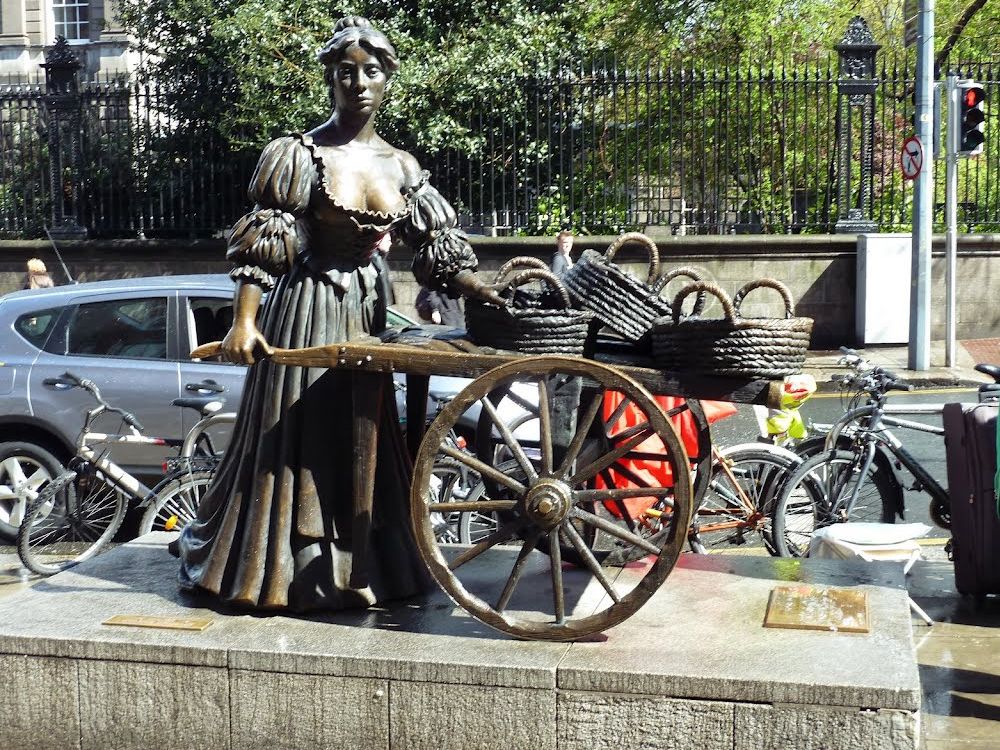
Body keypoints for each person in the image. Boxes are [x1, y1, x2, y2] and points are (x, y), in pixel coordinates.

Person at [174, 16, 500, 612]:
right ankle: (281, 573)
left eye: (371, 71)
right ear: (329, 78)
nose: (359, 83)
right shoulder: (297, 154)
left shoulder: (403, 166)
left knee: (368, 436)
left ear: (388, 80)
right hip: (307, 307)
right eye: (345, 71)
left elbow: (437, 251)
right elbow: (266, 242)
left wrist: (480, 289)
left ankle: (366, 563)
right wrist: (244, 321)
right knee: (298, 438)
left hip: (369, 308)